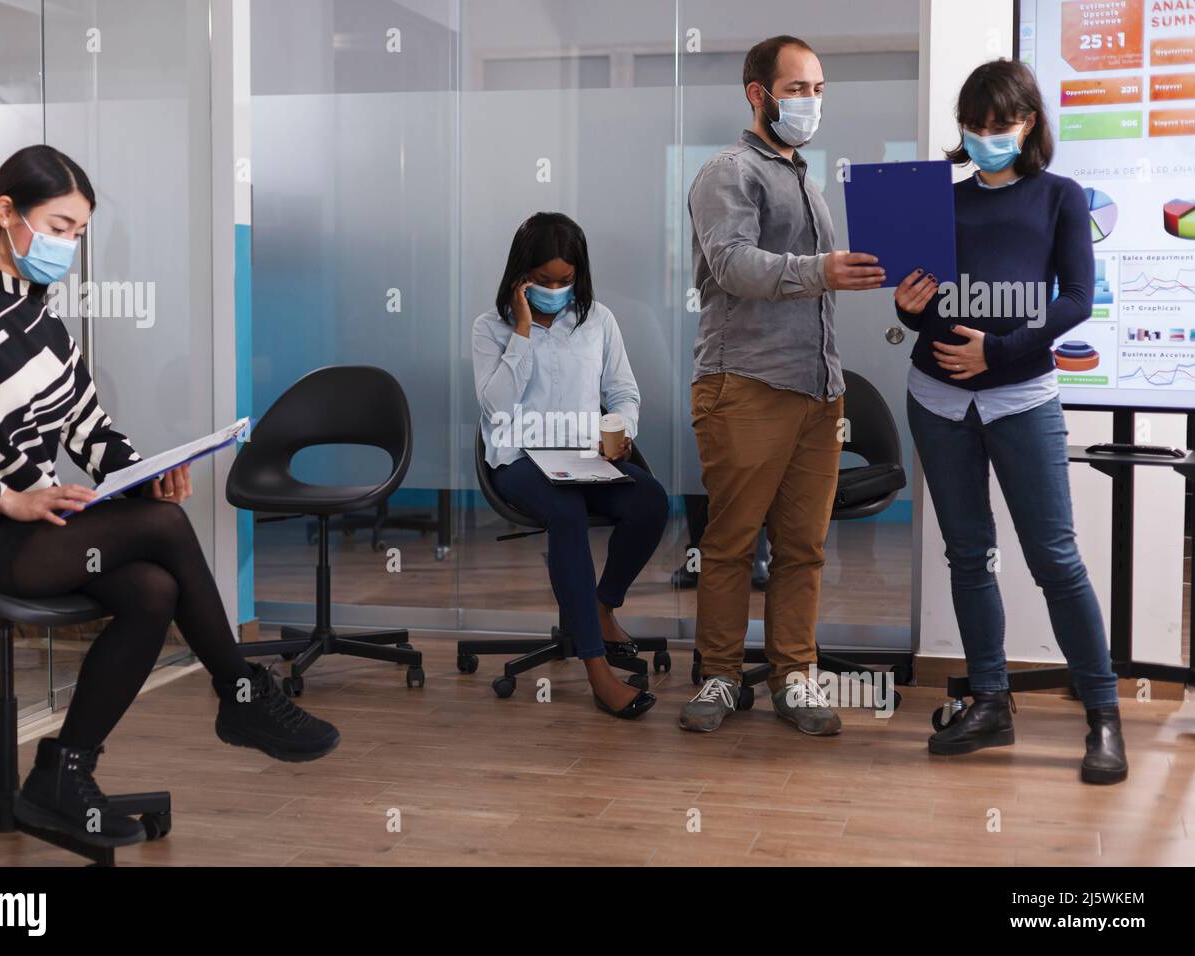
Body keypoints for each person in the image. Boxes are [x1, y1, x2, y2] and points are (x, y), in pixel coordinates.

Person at [0, 145, 343, 849]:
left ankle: (61, 775)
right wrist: (3, 497)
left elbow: (88, 426)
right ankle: (241, 695)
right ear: (6, 212)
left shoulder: (46, 323)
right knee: (163, 530)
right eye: (59, 226)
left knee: (150, 593)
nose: (68, 246)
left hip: (32, 528)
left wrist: (141, 469)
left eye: (78, 234)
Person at [894, 60, 1125, 784]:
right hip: (936, 398)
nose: (987, 137)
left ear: (1028, 124)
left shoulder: (1058, 197)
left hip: (1021, 397)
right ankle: (990, 702)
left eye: (1001, 125)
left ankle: (1104, 712)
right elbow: (914, 302)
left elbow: (1077, 300)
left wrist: (994, 350)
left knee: (1055, 558)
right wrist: (906, 306)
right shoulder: (937, 201)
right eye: (975, 126)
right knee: (969, 556)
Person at [679, 35, 885, 735]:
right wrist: (821, 270)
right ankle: (718, 678)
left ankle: (795, 677)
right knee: (733, 542)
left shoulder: (808, 181)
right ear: (758, 94)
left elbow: (816, 278)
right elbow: (733, 265)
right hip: (745, 384)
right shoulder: (727, 173)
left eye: (819, 89)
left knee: (803, 546)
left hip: (816, 389)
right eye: (798, 88)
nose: (811, 101)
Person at [471, 212, 669, 719]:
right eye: (543, 280)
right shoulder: (489, 328)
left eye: (566, 279)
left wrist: (621, 429)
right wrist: (522, 333)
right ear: (520, 275)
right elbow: (496, 407)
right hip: (518, 458)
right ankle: (598, 670)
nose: (556, 289)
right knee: (566, 514)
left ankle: (602, 607)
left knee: (650, 501)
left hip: (582, 456)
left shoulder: (598, 320)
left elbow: (623, 391)